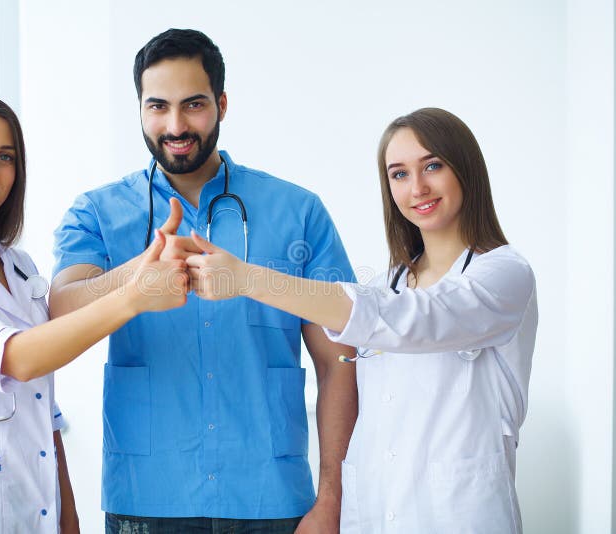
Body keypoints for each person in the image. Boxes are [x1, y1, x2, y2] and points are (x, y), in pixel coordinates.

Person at [50, 29, 357, 533]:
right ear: (140, 110)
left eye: (193, 105)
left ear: (221, 104)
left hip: (272, 498)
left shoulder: (299, 211)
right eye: (158, 107)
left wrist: (331, 500)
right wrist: (138, 275)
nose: (175, 125)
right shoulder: (96, 214)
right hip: (148, 496)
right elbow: (62, 310)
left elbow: (339, 357)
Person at [187, 107, 538, 533]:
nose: (418, 187)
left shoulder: (503, 274)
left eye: (432, 166)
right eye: (399, 174)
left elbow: (416, 319)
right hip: (374, 513)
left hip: (457, 515)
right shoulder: (394, 280)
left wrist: (247, 278)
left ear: (466, 169)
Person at [0, 94, 187, 533]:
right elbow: (18, 359)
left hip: (39, 508)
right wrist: (134, 297)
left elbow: (44, 406)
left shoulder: (17, 265)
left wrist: (69, 514)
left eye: (5, 157)